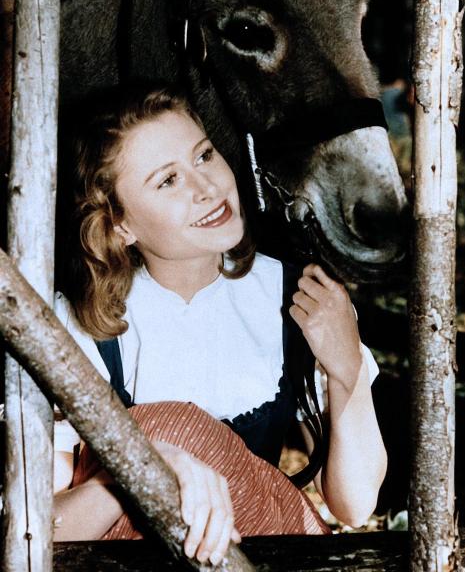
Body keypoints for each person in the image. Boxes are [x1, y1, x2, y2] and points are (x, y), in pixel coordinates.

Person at [53, 84, 387, 565]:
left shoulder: (298, 299)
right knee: (164, 427)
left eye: (204, 155)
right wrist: (145, 467)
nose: (207, 187)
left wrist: (346, 367)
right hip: (132, 558)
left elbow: (354, 505)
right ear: (118, 225)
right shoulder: (77, 327)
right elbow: (42, 528)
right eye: (168, 181)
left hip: (263, 548)